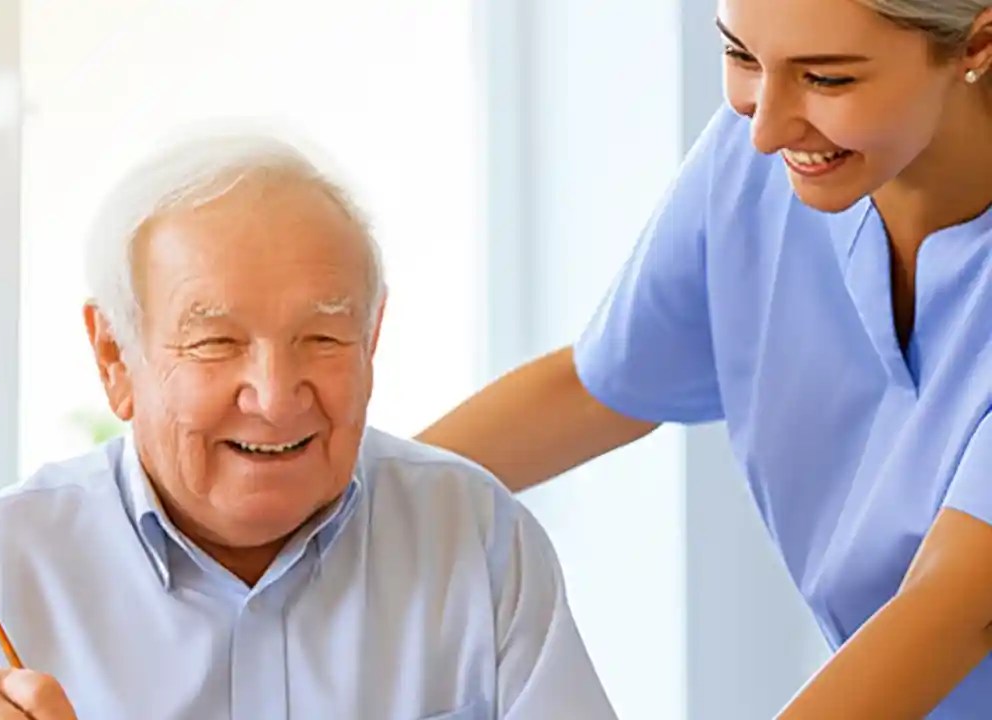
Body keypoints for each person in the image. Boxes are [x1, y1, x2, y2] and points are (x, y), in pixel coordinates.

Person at [0, 132, 616, 719]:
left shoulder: (479, 547)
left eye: (323, 337)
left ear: (373, 338)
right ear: (114, 356)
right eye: (216, 343)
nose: (275, 397)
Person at [419, 0, 992, 717]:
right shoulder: (766, 164)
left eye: (826, 79)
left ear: (978, 44)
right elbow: (598, 386)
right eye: (742, 57)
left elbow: (955, 606)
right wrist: (335, 510)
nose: (765, 128)